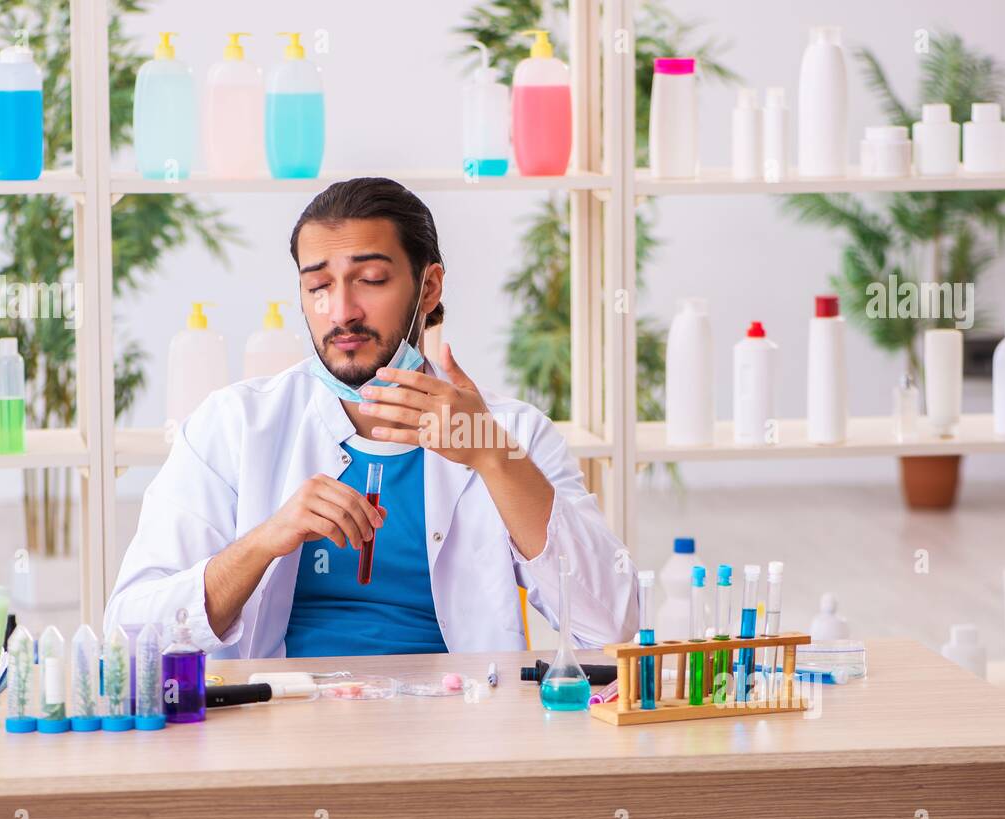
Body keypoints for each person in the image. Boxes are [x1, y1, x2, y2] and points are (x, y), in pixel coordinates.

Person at [105, 177, 638, 658]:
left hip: (457, 730)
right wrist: (266, 540)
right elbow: (130, 630)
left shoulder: (509, 435)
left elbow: (611, 624)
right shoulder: (234, 426)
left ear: (428, 288)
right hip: (280, 734)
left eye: (372, 279)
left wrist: (493, 457)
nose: (342, 312)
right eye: (318, 287)